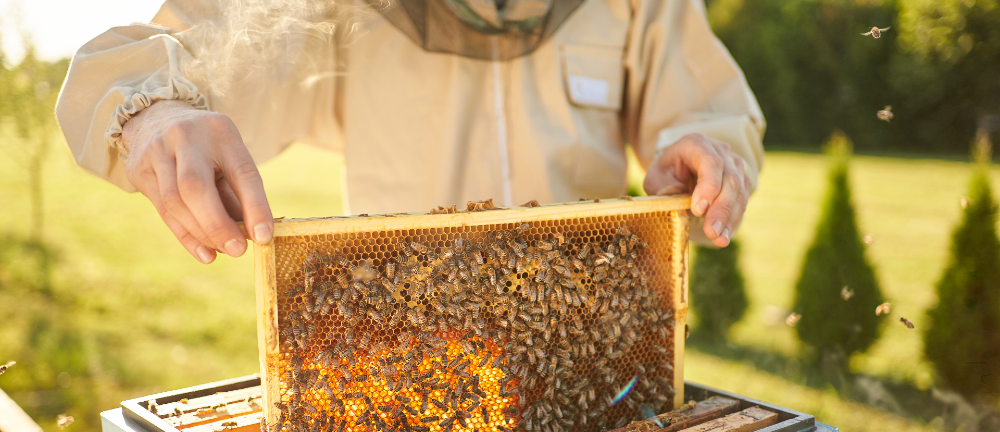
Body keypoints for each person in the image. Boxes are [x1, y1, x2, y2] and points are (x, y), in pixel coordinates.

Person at [55, 0, 764, 265]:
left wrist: (704, 159)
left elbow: (708, 108)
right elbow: (165, 52)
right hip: (411, 358)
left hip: (597, 375)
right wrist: (155, 111)